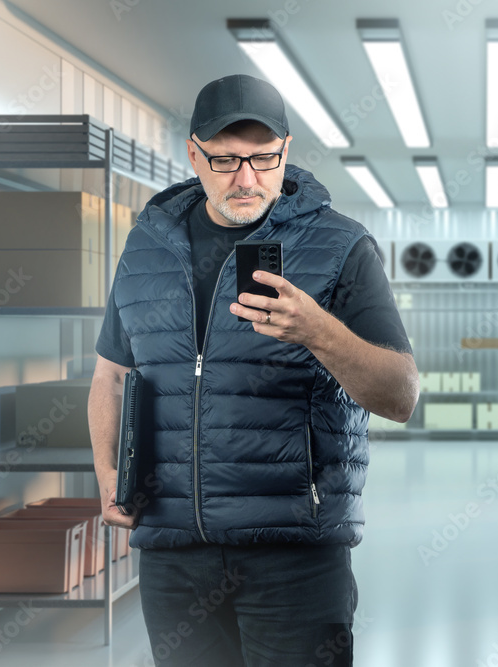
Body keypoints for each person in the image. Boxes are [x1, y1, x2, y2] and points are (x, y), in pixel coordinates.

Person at [88, 74, 419, 667]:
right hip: (172, 551)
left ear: (286, 152)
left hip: (294, 554)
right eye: (225, 159)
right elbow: (111, 374)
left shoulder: (341, 246)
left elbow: (399, 395)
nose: (246, 178)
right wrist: (107, 472)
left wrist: (316, 330)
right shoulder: (146, 245)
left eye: (264, 158)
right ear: (193, 154)